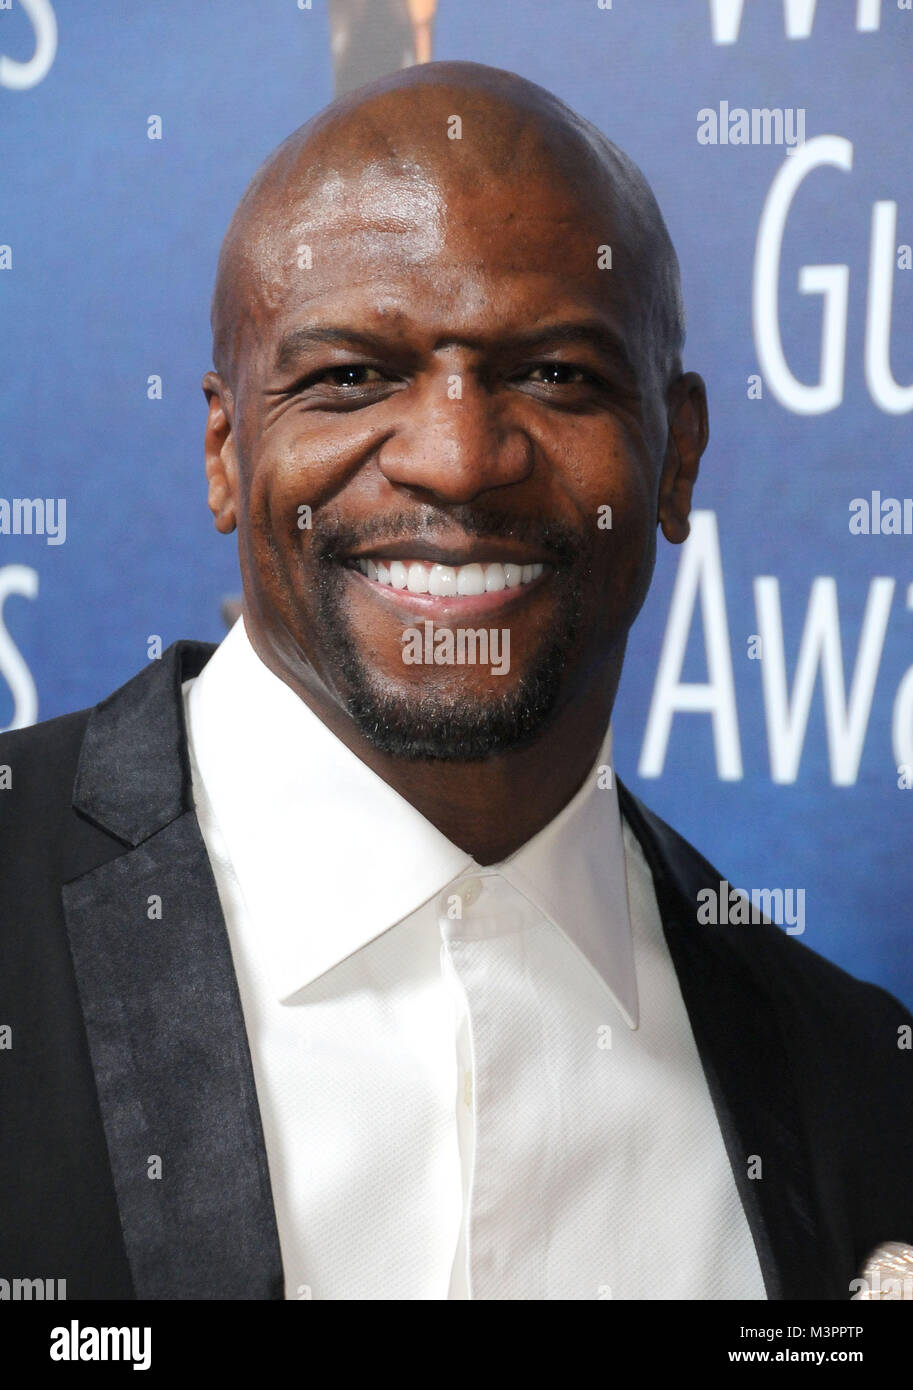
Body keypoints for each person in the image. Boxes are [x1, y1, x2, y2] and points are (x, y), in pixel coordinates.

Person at [1, 60, 910, 1302]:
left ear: (677, 455)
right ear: (226, 451)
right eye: (351, 377)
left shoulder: (859, 1090)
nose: (457, 457)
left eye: (555, 374)